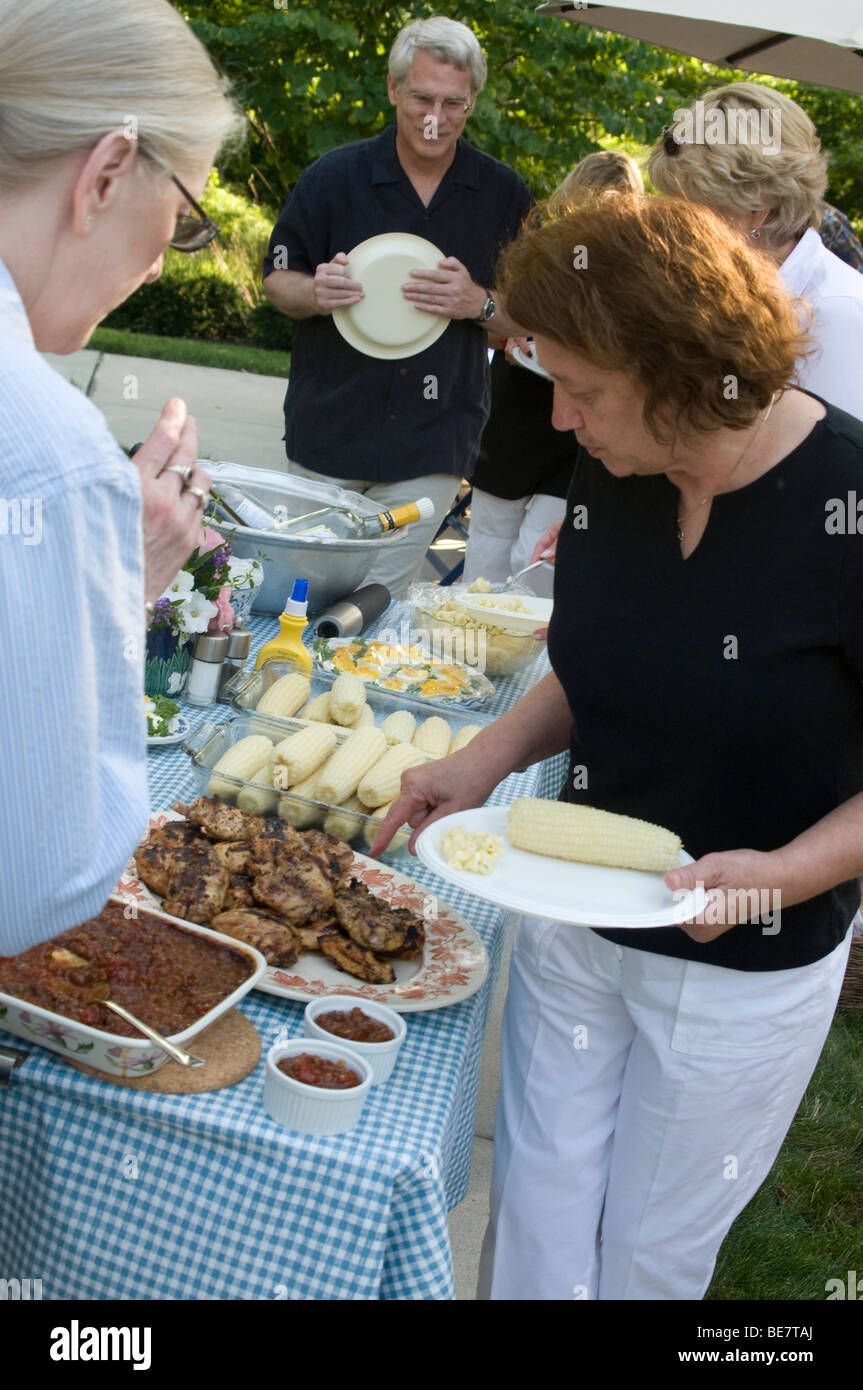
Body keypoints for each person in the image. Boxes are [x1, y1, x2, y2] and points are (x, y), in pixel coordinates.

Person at [371, 194, 863, 1300]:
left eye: (583, 392)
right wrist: (485, 757)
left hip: (744, 954)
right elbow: (598, 661)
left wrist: (780, 874)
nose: (560, 421)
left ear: (682, 377)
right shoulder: (621, 465)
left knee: (645, 1253)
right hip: (574, 907)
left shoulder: (846, 501)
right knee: (537, 1216)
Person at [0, 0, 243, 953]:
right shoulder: (47, 452)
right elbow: (38, 878)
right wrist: (122, 586)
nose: (156, 268)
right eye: (182, 221)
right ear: (105, 172)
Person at [262, 16, 531, 598]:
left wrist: (479, 303)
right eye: (422, 98)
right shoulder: (334, 177)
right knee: (297, 595)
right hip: (328, 432)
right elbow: (276, 279)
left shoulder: (505, 194)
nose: (436, 118)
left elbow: (532, 315)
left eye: (454, 104)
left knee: (371, 607)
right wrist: (314, 292)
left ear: (473, 102)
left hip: (432, 442)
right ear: (392, 89)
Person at [463, 151, 643, 593]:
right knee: (488, 542)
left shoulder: (636, 265)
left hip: (579, 427)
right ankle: (466, 645)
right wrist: (509, 336)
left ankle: (526, 652)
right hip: (515, 411)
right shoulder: (538, 249)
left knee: (536, 557)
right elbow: (491, 320)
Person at [648, 81, 863, 419]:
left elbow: (832, 463)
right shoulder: (728, 287)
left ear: (756, 209)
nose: (674, 227)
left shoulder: (835, 314)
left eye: (690, 210)